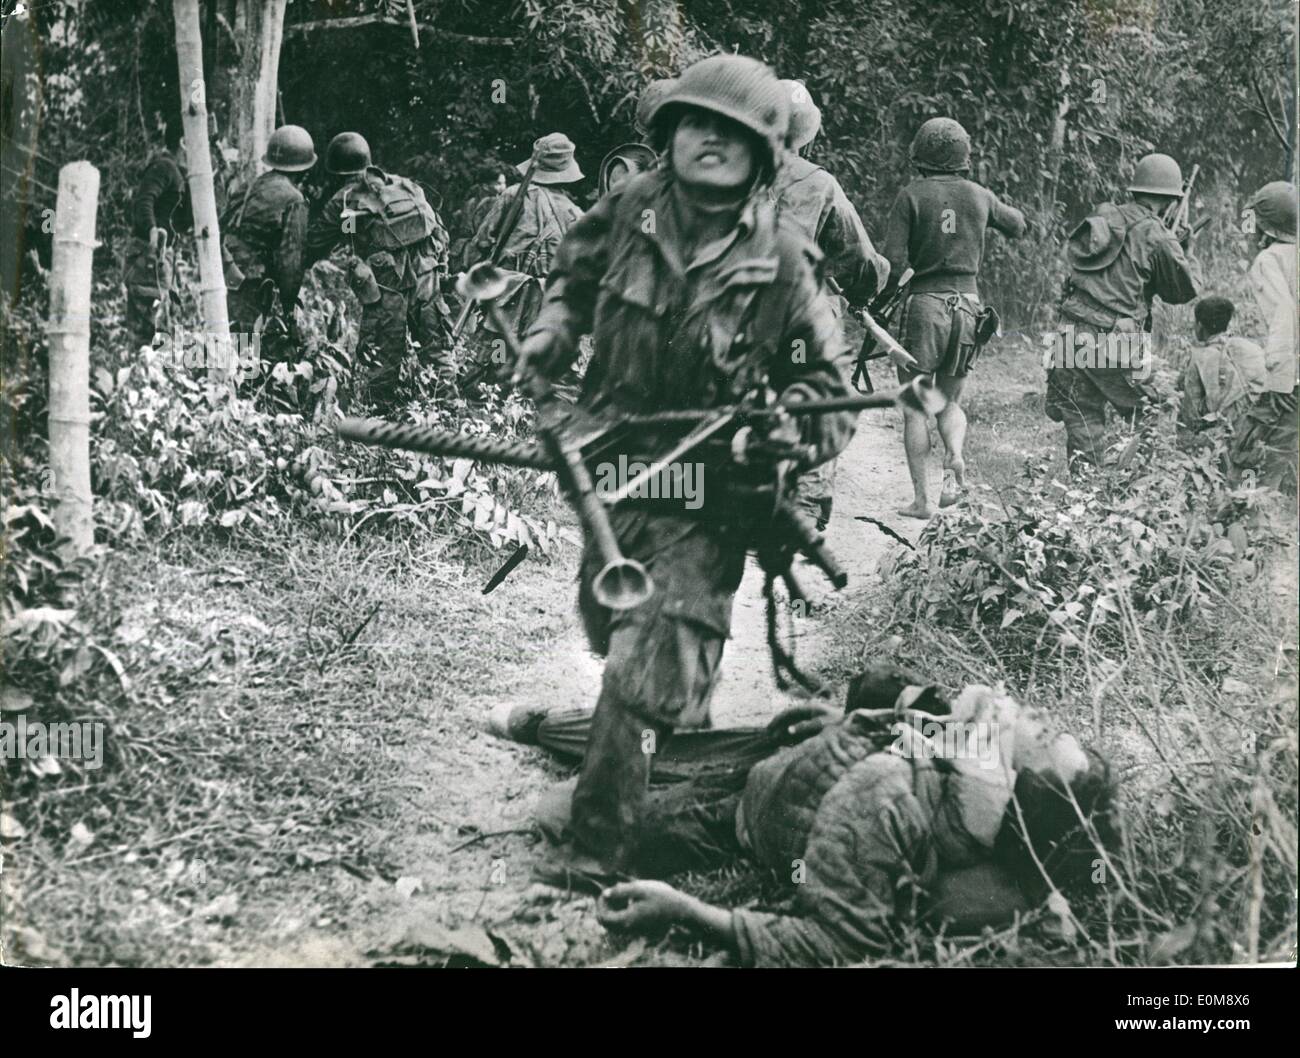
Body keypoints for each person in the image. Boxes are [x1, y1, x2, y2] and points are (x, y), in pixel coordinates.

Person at [512, 53, 855, 890]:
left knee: (648, 652)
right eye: (697, 122)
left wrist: (784, 431)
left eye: (732, 132)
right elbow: (573, 277)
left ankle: (598, 851)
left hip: (708, 485)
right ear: (670, 131)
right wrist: (550, 335)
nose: (711, 140)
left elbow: (832, 397)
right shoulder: (627, 207)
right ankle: (677, 762)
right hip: (611, 468)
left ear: (764, 155)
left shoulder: (782, 259)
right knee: (613, 627)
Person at [592, 682, 1119, 967]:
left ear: (1006, 789)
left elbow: (826, 943)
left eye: (1042, 739)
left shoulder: (882, 803)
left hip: (735, 815)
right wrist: (844, 726)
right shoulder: (969, 790)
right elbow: (928, 744)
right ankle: (519, 718)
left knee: (588, 806)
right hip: (789, 762)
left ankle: (520, 721)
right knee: (633, 739)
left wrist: (685, 909)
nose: (1027, 716)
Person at [883, 117, 1026, 517]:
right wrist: (985, 208)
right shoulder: (978, 195)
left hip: (925, 307)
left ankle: (922, 501)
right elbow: (1019, 226)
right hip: (968, 306)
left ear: (921, 156)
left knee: (915, 405)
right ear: (963, 157)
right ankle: (954, 462)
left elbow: (893, 263)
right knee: (948, 401)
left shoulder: (910, 196)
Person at [773, 78, 890, 531]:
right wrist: (861, 294)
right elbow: (859, 259)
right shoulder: (820, 184)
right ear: (808, 133)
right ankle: (803, 506)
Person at [1046, 152, 1197, 469]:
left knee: (1082, 419)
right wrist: (1186, 251)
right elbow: (1182, 292)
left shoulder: (1102, 218)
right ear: (1170, 199)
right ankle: (1134, 492)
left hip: (1069, 333)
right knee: (1146, 410)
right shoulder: (1158, 235)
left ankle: (1083, 501)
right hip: (1115, 339)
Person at [305, 131, 453, 406]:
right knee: (436, 346)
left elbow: (313, 245)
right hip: (426, 269)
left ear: (336, 170)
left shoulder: (344, 198)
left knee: (383, 353)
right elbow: (438, 229)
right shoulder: (404, 185)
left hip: (386, 278)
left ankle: (379, 420)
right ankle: (449, 409)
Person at [466, 133, 586, 342]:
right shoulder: (574, 213)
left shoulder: (512, 196)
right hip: (548, 308)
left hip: (505, 300)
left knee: (492, 362)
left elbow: (482, 243)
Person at [1232, 181, 1298, 492]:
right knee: (1283, 451)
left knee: (1248, 448)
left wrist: (1279, 381)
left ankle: (1250, 521)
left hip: (1288, 377)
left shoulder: (1269, 260)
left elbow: (1284, 312)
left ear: (1265, 228)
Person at [223, 125, 315, 345]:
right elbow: (291, 260)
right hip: (252, 283)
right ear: (303, 169)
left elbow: (224, 223)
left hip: (228, 273)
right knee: (247, 352)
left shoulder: (252, 185)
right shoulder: (294, 199)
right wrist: (289, 306)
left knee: (228, 340)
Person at [124, 118, 189, 345]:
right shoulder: (165, 167)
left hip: (160, 257)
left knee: (161, 326)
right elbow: (144, 201)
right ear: (184, 142)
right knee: (148, 329)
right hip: (149, 256)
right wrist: (153, 233)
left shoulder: (178, 172)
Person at [1176, 296, 1267, 454]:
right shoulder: (1253, 347)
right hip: (1265, 425)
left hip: (1228, 434)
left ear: (1199, 325)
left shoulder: (1199, 357)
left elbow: (1191, 417)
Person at [451, 160, 508, 271]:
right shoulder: (494, 203)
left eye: (504, 183)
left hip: (465, 250)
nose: (503, 187)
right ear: (485, 186)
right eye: (498, 184)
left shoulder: (471, 201)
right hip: (481, 251)